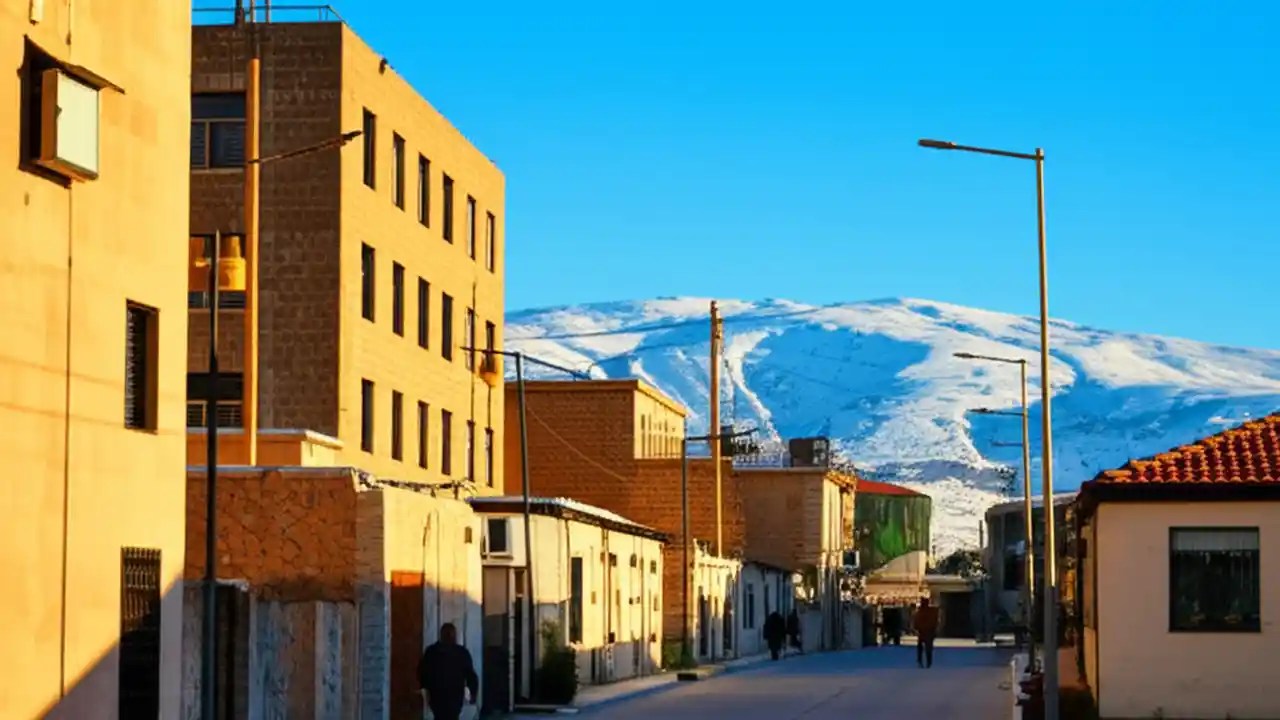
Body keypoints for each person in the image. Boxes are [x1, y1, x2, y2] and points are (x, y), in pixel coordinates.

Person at [418, 622, 479, 720]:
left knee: (439, 716)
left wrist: (424, 688)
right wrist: (473, 694)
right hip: (454, 695)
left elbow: (422, 672)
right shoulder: (461, 653)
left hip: (437, 695)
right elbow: (471, 676)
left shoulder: (431, 652)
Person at [912, 598, 940, 668]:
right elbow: (935, 621)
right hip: (929, 631)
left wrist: (916, 628)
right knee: (928, 648)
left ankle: (920, 660)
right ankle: (928, 662)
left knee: (920, 647)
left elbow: (916, 620)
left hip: (923, 631)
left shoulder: (920, 611)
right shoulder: (932, 611)